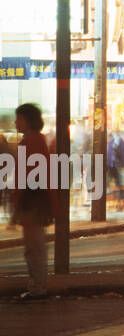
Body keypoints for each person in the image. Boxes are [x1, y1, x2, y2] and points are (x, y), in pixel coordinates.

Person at [13, 104, 55, 300]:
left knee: (34, 247)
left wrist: (17, 203)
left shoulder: (31, 142)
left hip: (32, 202)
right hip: (36, 200)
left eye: (19, 119)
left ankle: (38, 288)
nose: (15, 122)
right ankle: (38, 286)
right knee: (35, 247)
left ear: (27, 120)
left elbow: (26, 176)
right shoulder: (36, 140)